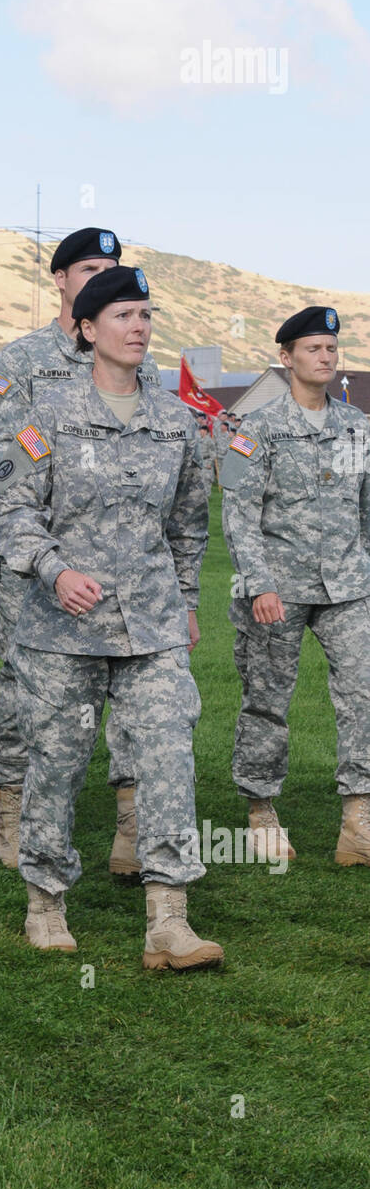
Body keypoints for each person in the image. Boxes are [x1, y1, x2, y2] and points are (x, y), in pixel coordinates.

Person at [0, 266, 222, 969]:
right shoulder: (48, 412)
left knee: (165, 755)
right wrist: (54, 570)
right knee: (56, 764)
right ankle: (45, 899)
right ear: (88, 329)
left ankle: (168, 918)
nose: (138, 327)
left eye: (145, 315)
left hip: (150, 624)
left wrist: (184, 602)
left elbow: (187, 526)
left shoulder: (175, 420)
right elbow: (15, 514)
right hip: (61, 628)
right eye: (122, 315)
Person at [0, 228, 159, 878]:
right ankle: (13, 805)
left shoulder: (143, 362)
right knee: (24, 684)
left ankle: (131, 825)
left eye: (110, 267)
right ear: (59, 279)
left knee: (134, 686)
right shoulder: (23, 358)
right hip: (37, 555)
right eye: (87, 267)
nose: (100, 275)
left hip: (120, 560)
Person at [221, 306, 370, 865]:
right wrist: (258, 583)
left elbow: (366, 508)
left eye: (331, 349)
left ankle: (359, 817)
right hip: (275, 589)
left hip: (349, 587)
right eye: (313, 349)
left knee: (364, 693)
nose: (326, 357)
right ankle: (261, 809)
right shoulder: (255, 431)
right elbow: (239, 512)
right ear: (286, 359)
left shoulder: (357, 427)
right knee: (267, 700)